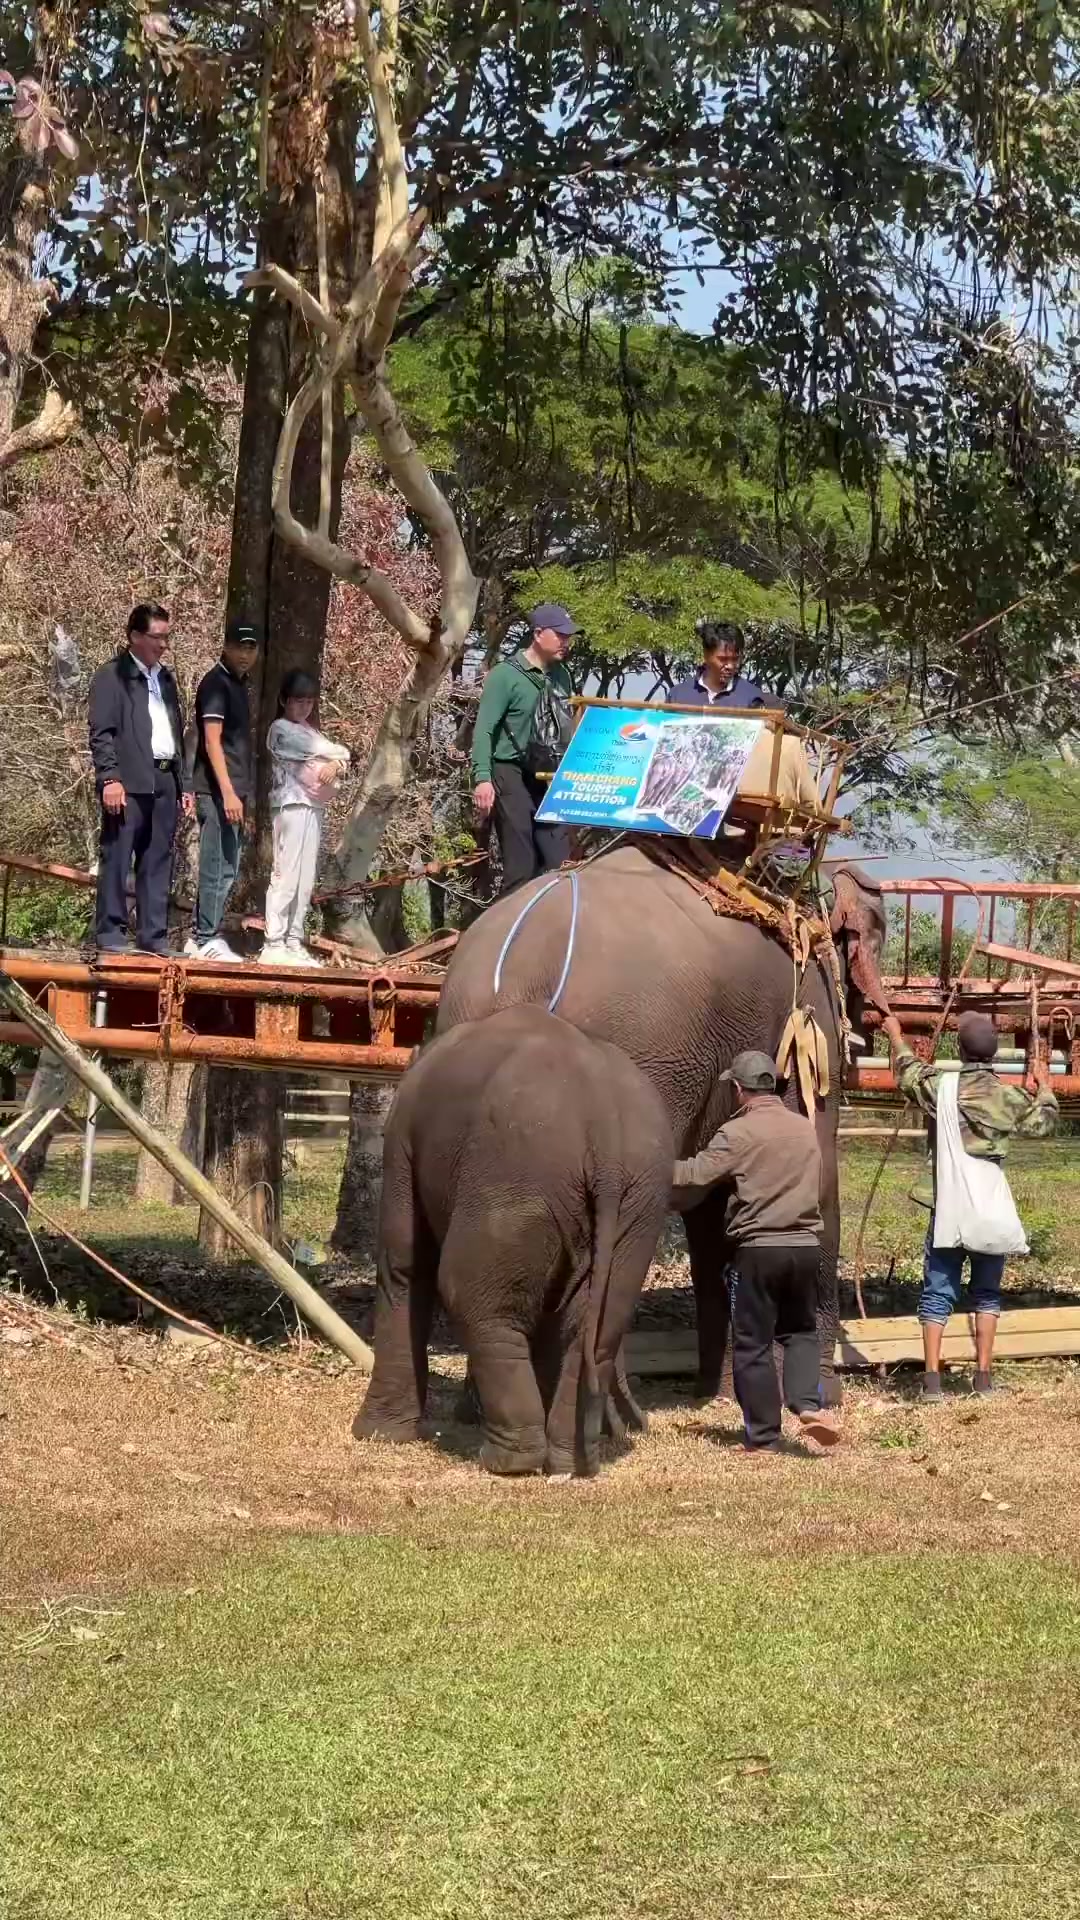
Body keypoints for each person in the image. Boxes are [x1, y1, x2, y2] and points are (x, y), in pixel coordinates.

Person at [881, 1010, 1058, 1401]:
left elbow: (908, 1073)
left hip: (947, 1204)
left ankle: (931, 1383)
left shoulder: (941, 1087)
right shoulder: (1008, 1097)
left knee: (937, 1290)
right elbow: (1043, 1124)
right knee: (987, 1293)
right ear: (996, 1055)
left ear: (959, 1051)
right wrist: (1043, 1087)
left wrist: (896, 1036)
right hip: (988, 1207)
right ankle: (983, 1379)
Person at [671, 1051, 840, 1454]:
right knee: (800, 1331)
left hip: (758, 1249)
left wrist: (646, 1166)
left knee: (752, 1343)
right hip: (804, 1248)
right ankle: (806, 1404)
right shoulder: (804, 1130)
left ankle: (763, 1435)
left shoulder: (738, 1133)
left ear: (737, 1089)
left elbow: (695, 1174)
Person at [88, 602, 194, 956]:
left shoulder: (165, 678)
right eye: (156, 637)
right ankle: (111, 932)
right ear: (135, 636)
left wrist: (185, 783)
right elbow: (101, 732)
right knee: (118, 855)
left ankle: (153, 935)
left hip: (165, 779)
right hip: (128, 781)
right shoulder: (112, 675)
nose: (163, 644)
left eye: (167, 637)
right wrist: (109, 778)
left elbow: (175, 733)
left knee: (158, 858)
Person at [471, 603, 577, 896]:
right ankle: (506, 937)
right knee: (522, 866)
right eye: (560, 635)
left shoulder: (562, 677)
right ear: (538, 634)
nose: (566, 642)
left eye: (569, 636)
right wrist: (482, 778)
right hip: (510, 772)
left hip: (548, 775)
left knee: (561, 865)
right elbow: (484, 730)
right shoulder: (505, 676)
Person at [261, 669, 350, 967]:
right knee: (285, 873)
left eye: (309, 702)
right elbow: (329, 750)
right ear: (285, 700)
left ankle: (294, 939)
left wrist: (337, 763)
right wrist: (339, 758)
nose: (304, 708)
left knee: (305, 878)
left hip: (312, 806)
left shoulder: (310, 730)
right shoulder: (280, 729)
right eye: (299, 701)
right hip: (290, 805)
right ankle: (274, 940)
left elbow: (335, 757)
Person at [185, 618, 260, 963]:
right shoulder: (215, 684)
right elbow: (212, 742)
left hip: (234, 793)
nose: (245, 654)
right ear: (225, 647)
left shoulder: (238, 686)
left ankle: (203, 935)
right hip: (216, 793)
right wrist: (228, 793)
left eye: (251, 647)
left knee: (228, 867)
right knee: (216, 865)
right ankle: (205, 938)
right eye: (240, 646)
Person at [667, 619, 782, 710]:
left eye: (735, 659)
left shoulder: (753, 698)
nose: (730, 666)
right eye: (723, 659)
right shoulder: (678, 696)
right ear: (706, 655)